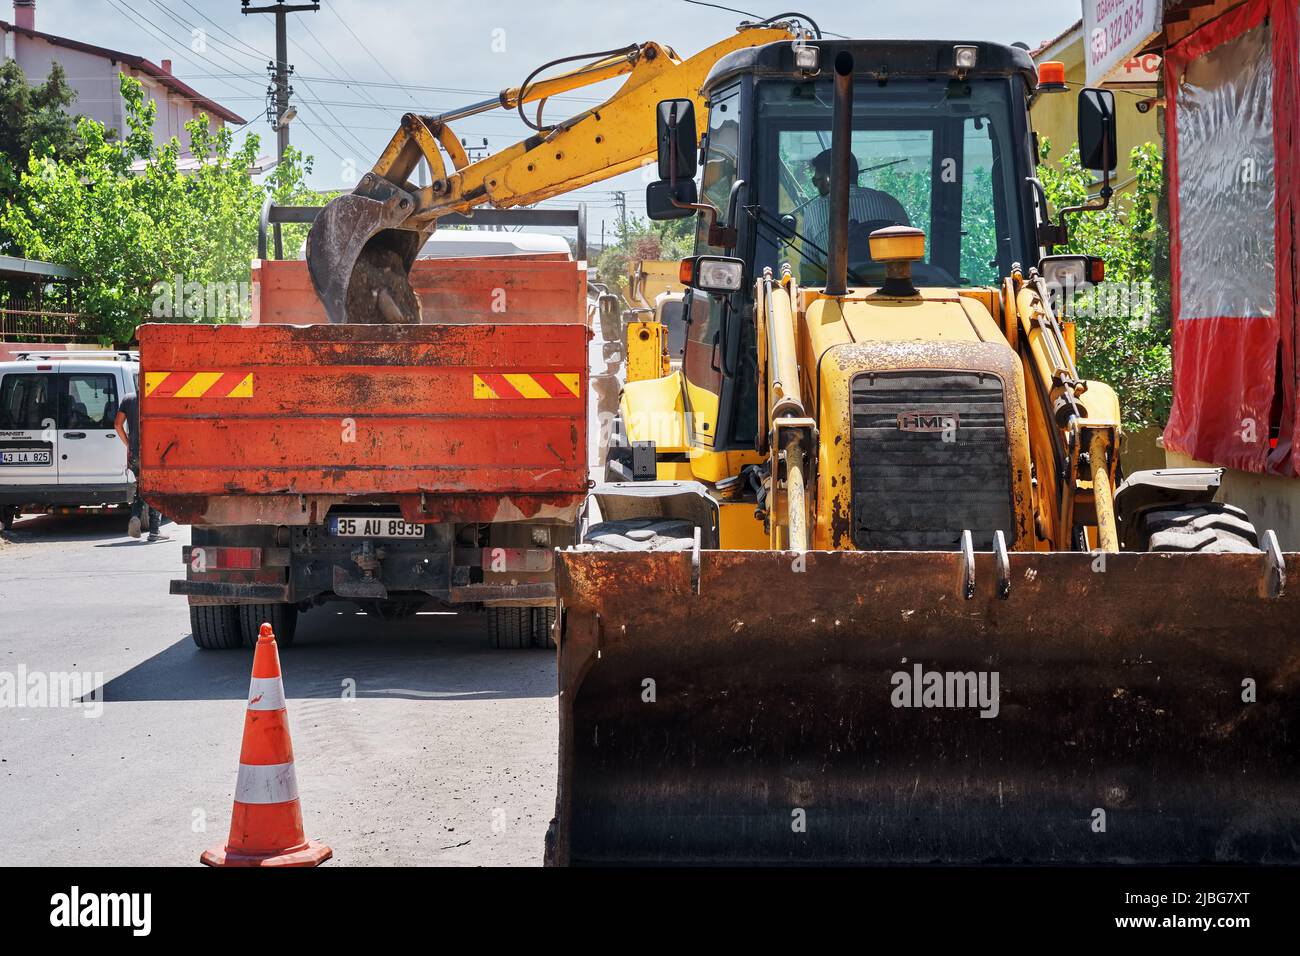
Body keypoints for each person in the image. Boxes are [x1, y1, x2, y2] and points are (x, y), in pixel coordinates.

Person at [800, 148, 911, 272]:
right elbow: (915, 261)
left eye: (816, 181)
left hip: (842, 289)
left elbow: (808, 272)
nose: (816, 187)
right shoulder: (892, 203)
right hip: (895, 286)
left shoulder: (815, 210)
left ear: (828, 179)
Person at [114, 391, 160, 541]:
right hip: (155, 453)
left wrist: (129, 444)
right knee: (155, 489)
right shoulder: (157, 398)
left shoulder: (128, 399)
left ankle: (135, 516)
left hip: (135, 454)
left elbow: (117, 424)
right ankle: (154, 531)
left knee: (141, 487)